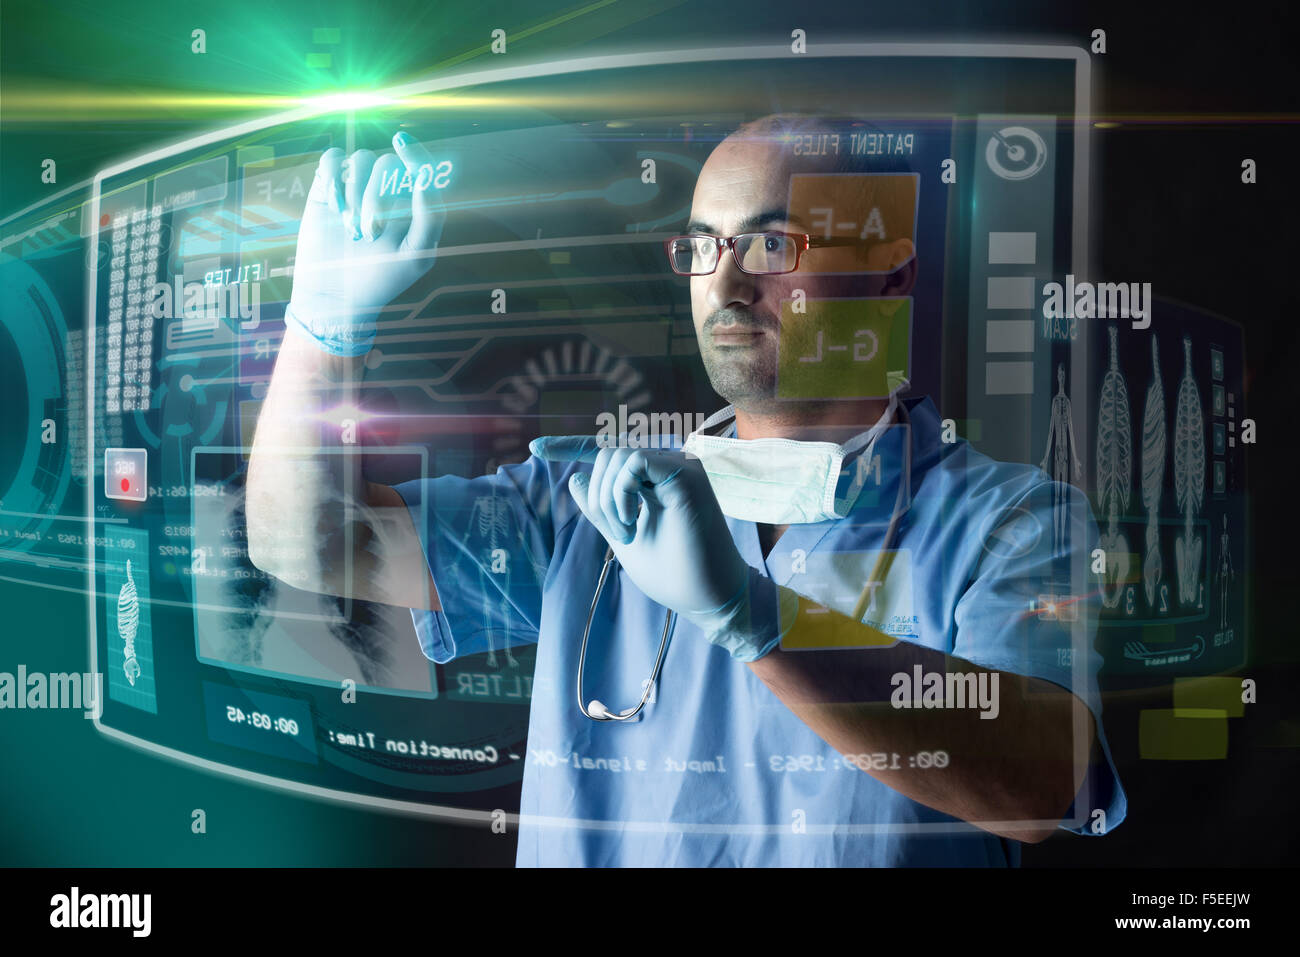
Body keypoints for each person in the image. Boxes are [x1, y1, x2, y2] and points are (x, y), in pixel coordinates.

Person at [246, 114, 1125, 866]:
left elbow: (1042, 782)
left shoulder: (1009, 523)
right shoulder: (585, 503)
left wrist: (757, 619)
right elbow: (310, 541)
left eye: (773, 243)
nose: (728, 284)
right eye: (704, 245)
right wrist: (322, 324)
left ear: (892, 273)